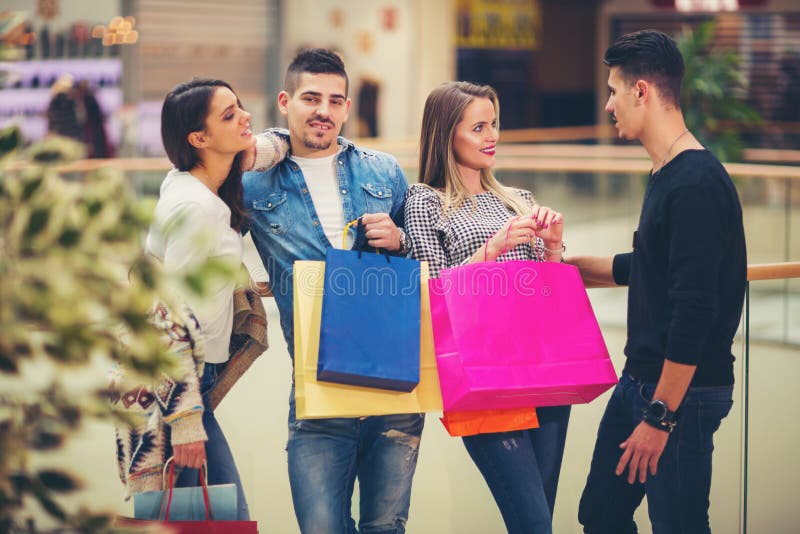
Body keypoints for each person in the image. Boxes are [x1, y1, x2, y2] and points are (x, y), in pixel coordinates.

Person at [569, 30, 747, 534]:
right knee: (601, 514)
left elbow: (695, 309)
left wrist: (660, 417)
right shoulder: (667, 172)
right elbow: (646, 267)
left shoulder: (694, 184)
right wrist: (564, 266)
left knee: (680, 523)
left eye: (613, 91)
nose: (608, 104)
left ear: (641, 92)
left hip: (678, 395)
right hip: (642, 381)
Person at [243, 49, 422, 534]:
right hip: (317, 392)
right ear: (285, 101)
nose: (323, 110)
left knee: (386, 528)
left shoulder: (384, 171)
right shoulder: (253, 183)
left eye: (334, 100)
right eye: (311, 98)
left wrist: (403, 241)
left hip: (393, 388)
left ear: (347, 108)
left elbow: (426, 269)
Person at [404, 81, 571, 534]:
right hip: (483, 374)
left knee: (539, 521)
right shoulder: (425, 202)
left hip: (544, 369)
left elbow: (551, 298)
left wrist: (553, 250)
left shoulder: (518, 197)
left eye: (493, 124)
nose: (491, 135)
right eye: (478, 127)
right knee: (534, 523)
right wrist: (492, 249)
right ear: (445, 134)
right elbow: (431, 294)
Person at [114, 78, 276, 520]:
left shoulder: (190, 186)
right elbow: (169, 315)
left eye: (239, 106)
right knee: (214, 519)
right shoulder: (195, 208)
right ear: (198, 139)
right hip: (175, 393)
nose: (245, 116)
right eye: (229, 115)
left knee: (214, 517)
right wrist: (185, 421)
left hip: (183, 390)